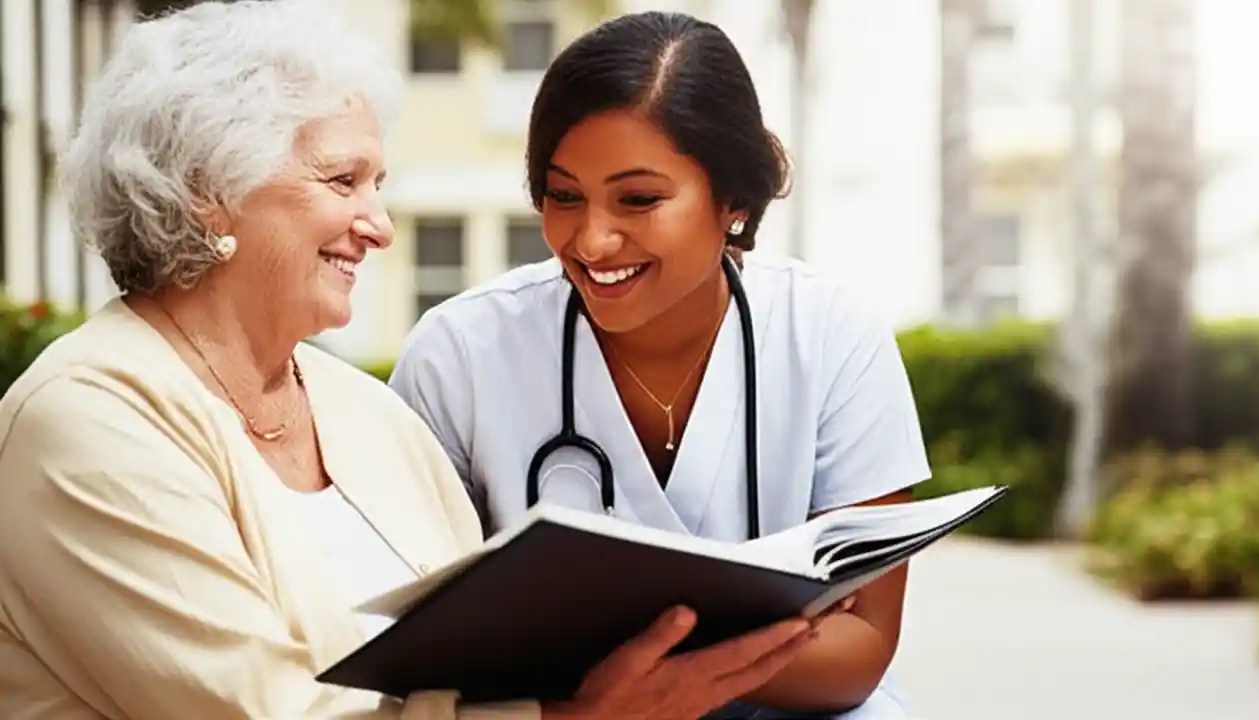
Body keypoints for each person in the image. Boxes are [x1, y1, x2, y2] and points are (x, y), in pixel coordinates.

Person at [0, 3, 822, 718]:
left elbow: (486, 655)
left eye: (379, 184)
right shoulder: (84, 421)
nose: (380, 225)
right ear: (206, 190)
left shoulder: (364, 412)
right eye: (343, 180)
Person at [390, 11, 932, 720]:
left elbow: (858, 648)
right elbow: (415, 641)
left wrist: (652, 671)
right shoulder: (458, 355)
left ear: (733, 200)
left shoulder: (830, 336)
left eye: (639, 199)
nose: (591, 239)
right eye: (563, 196)